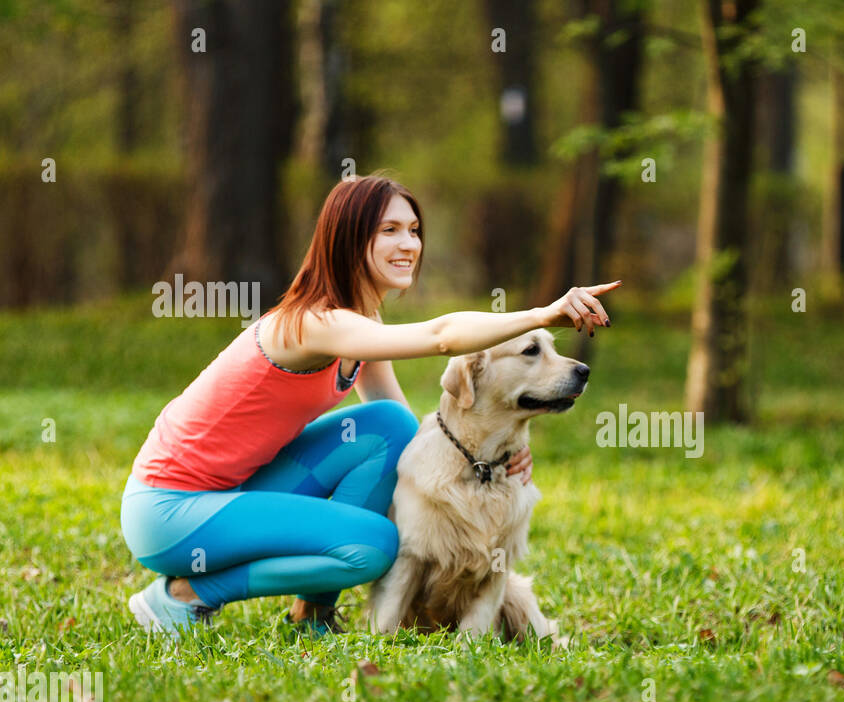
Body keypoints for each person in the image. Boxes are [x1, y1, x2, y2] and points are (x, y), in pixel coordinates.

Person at [120, 173, 617, 637]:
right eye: (390, 230)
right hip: (169, 510)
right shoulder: (313, 322)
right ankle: (186, 595)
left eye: (415, 230)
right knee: (374, 545)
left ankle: (313, 609)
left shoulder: (364, 323)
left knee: (388, 426)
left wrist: (493, 457)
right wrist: (544, 313)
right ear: (351, 239)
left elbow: (416, 439)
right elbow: (442, 336)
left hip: (231, 490)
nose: (409, 244)